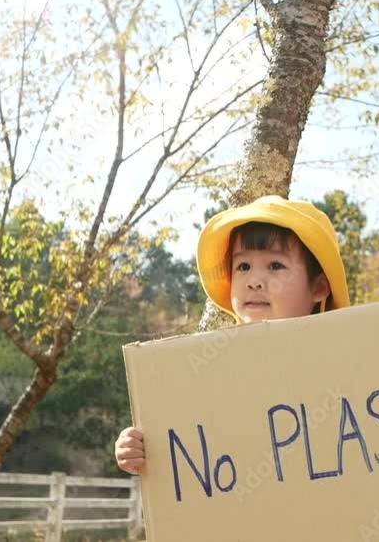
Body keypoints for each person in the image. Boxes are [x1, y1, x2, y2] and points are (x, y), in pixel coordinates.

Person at [114, 195, 350, 474]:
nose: (254, 281)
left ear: (319, 287)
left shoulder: (343, 362)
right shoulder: (201, 367)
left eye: (275, 266)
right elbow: (183, 448)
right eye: (243, 267)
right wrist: (137, 449)